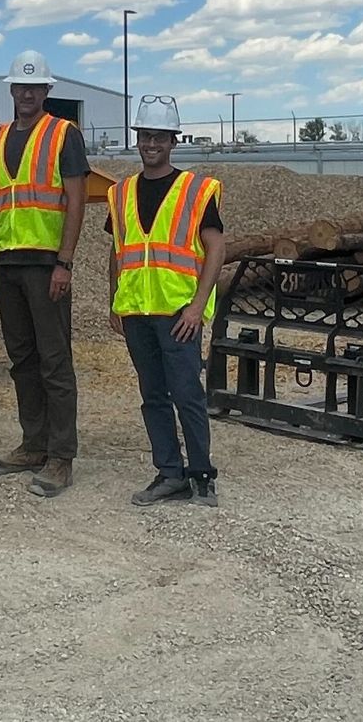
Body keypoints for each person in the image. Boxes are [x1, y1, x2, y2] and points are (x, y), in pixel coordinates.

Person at [0, 50, 89, 498]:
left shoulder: (63, 134)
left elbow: (75, 200)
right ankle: (33, 444)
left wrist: (65, 262)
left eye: (33, 87)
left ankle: (62, 456)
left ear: (46, 91)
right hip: (9, 264)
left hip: (46, 264)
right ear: (12, 90)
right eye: (20, 87)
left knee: (55, 360)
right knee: (23, 359)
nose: (25, 93)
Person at [107, 95, 224, 508]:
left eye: (158, 136)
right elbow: (117, 251)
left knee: (186, 394)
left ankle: (202, 475)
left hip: (178, 315)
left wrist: (197, 306)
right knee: (153, 396)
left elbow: (216, 248)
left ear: (173, 141)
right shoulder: (120, 193)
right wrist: (113, 302)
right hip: (137, 313)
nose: (150, 144)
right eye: (144, 136)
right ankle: (169, 474)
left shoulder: (195, 190)